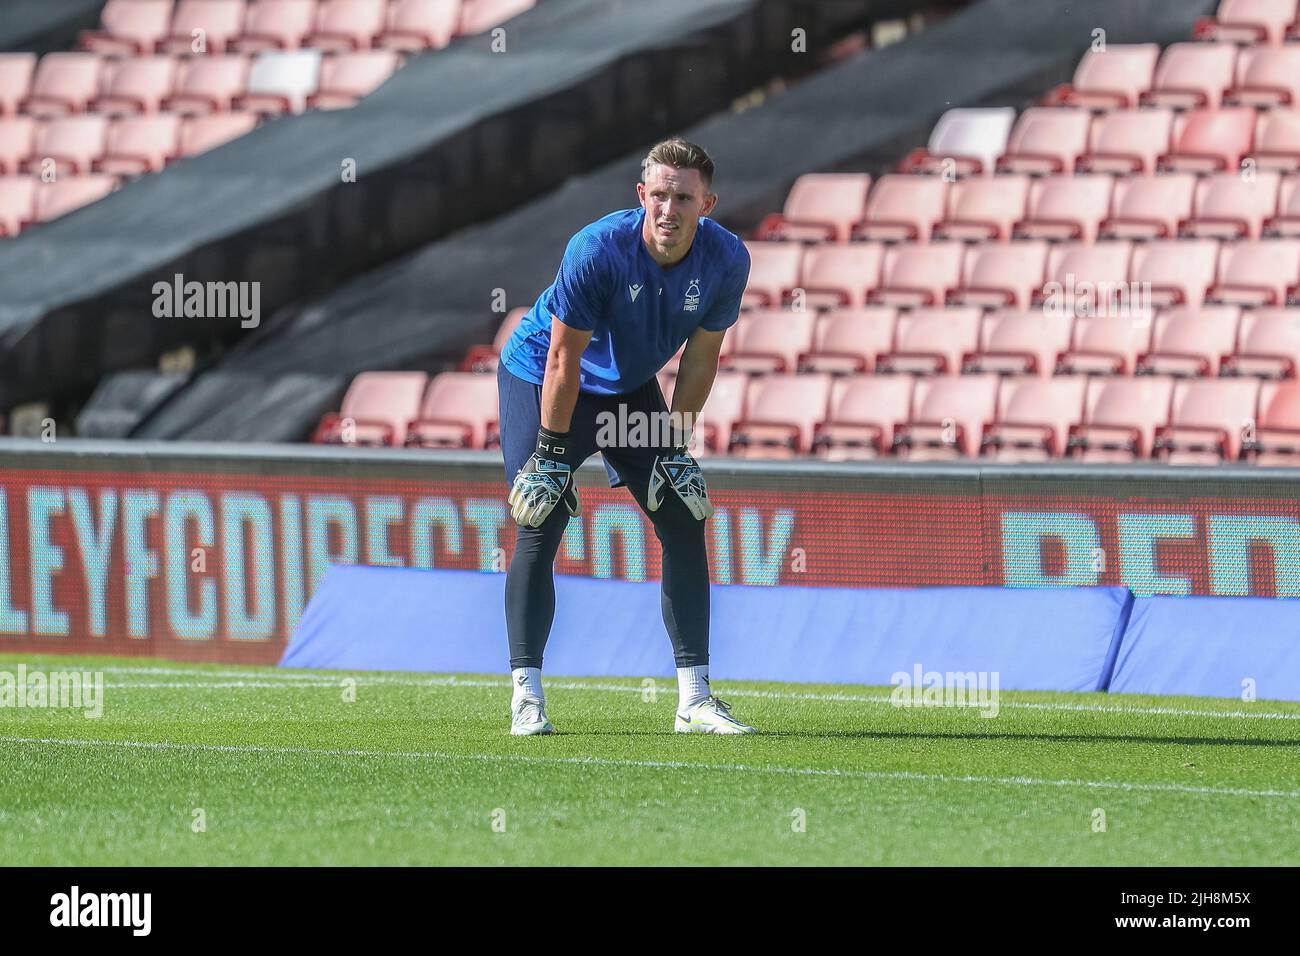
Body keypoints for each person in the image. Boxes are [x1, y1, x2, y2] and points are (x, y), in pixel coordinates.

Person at [496, 137, 755, 736]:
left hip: (627, 388)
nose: (669, 210)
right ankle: (526, 698)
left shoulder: (727, 260)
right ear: (641, 196)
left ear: (707, 204)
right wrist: (553, 453)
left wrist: (677, 444)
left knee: (683, 514)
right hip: (543, 375)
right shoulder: (596, 250)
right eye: (659, 196)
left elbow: (701, 359)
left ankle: (694, 700)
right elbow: (563, 358)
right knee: (542, 515)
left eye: (683, 199)